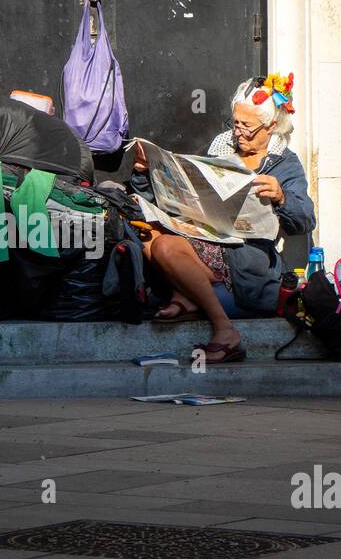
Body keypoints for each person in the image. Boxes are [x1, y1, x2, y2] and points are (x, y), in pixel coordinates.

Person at [133, 75, 316, 363]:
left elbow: (305, 221)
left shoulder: (284, 163)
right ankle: (189, 296)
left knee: (166, 248)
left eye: (248, 126)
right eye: (235, 123)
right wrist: (145, 175)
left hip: (245, 257)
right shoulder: (221, 148)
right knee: (144, 230)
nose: (239, 133)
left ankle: (223, 329)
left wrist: (282, 197)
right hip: (205, 237)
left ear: (270, 127)